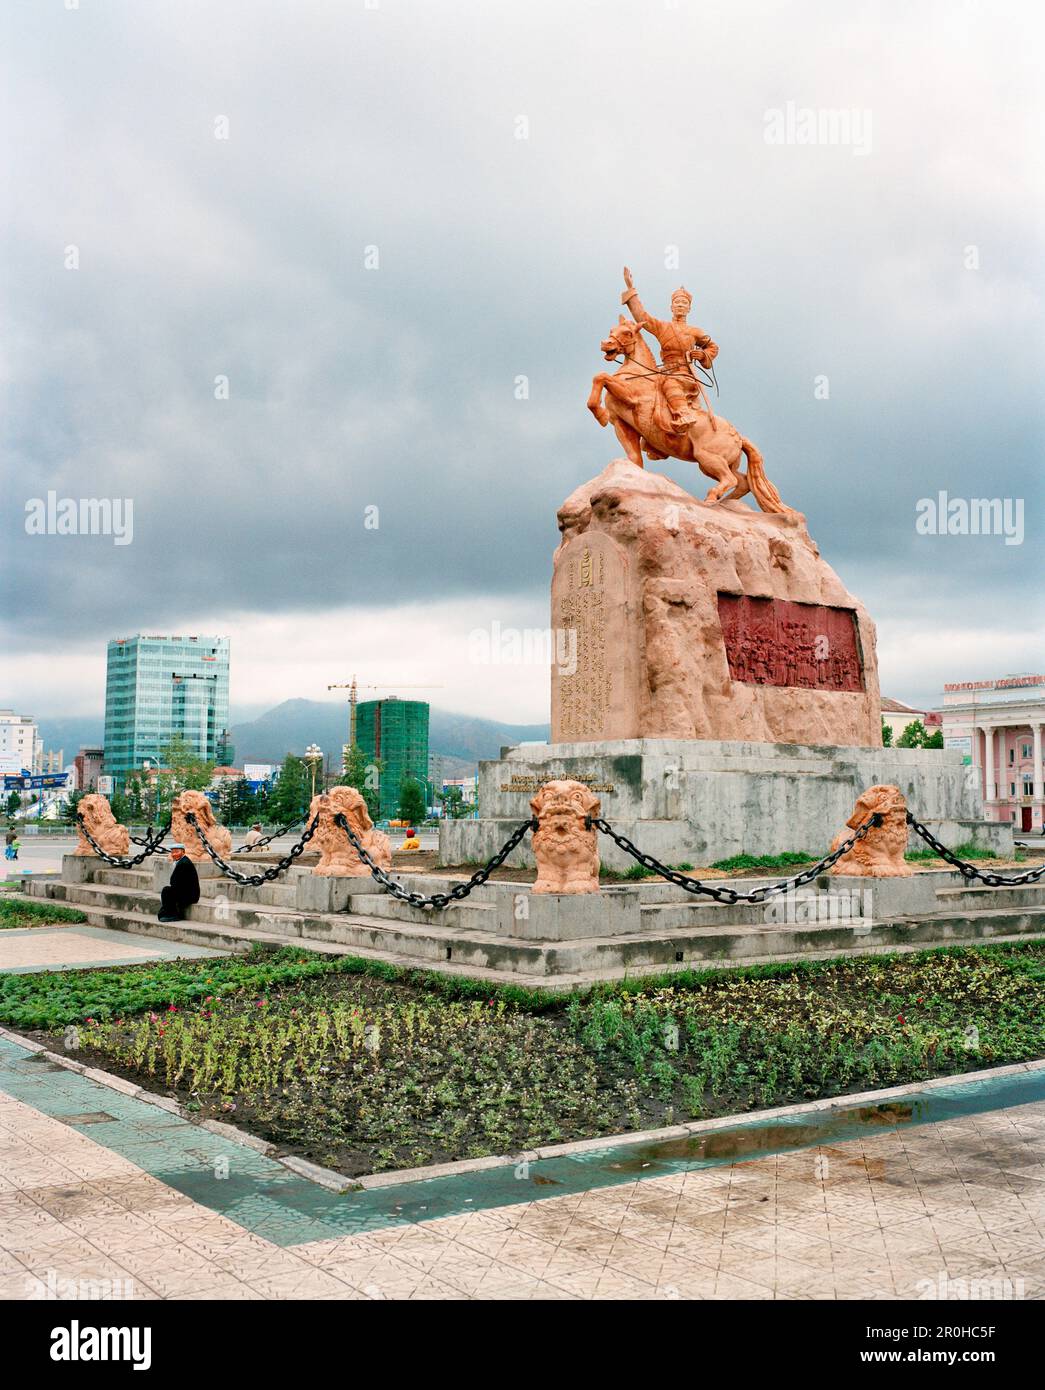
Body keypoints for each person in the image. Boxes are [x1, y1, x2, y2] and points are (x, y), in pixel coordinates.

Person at [158, 844, 200, 923]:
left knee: (167, 891)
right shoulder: (182, 861)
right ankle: (168, 913)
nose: (174, 854)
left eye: (177, 852)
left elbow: (177, 882)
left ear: (183, 852)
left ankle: (174, 915)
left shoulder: (184, 863)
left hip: (190, 895)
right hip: (186, 891)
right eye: (172, 852)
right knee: (167, 890)